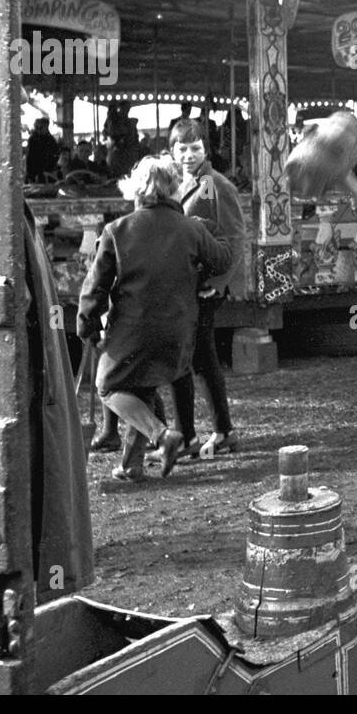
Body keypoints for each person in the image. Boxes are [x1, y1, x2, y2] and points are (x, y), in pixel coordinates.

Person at [77, 156, 232, 480]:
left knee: (108, 386)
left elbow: (95, 287)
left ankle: (163, 435)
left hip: (133, 329)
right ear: (173, 188)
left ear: (138, 190)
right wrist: (202, 267)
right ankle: (131, 466)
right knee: (140, 387)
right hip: (178, 331)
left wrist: (87, 325)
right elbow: (221, 260)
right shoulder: (191, 228)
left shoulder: (117, 230)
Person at [164, 117, 247, 457]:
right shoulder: (176, 182)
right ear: (171, 150)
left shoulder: (216, 184)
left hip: (205, 285)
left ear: (206, 149)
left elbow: (236, 237)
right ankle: (209, 431)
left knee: (201, 357)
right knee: (198, 357)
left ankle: (214, 431)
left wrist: (217, 283)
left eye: (195, 148)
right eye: (181, 149)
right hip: (185, 283)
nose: (188, 155)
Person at [25, 116, 60, 183]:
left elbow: (55, 155)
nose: (38, 130)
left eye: (41, 128)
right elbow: (29, 159)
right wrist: (30, 175)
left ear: (46, 127)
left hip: (48, 172)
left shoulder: (51, 140)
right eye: (37, 128)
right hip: (35, 172)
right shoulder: (33, 139)